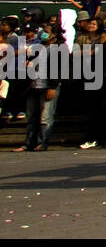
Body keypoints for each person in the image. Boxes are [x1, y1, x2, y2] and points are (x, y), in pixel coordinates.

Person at [11, 24, 63, 152]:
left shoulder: (57, 49)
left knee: (45, 117)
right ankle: (28, 143)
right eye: (43, 32)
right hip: (32, 85)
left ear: (54, 35)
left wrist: (53, 86)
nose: (43, 34)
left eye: (47, 32)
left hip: (47, 85)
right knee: (31, 117)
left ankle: (42, 142)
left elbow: (58, 69)